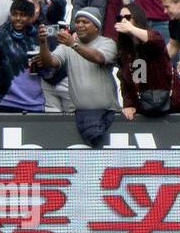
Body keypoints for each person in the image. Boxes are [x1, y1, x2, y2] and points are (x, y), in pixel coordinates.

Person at [35, 8, 119, 147]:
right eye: (77, 22)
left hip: (108, 115)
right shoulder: (67, 46)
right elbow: (50, 62)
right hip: (80, 115)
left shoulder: (107, 43)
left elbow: (99, 57)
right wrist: (43, 43)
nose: (79, 25)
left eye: (85, 22)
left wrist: (73, 44)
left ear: (96, 26)